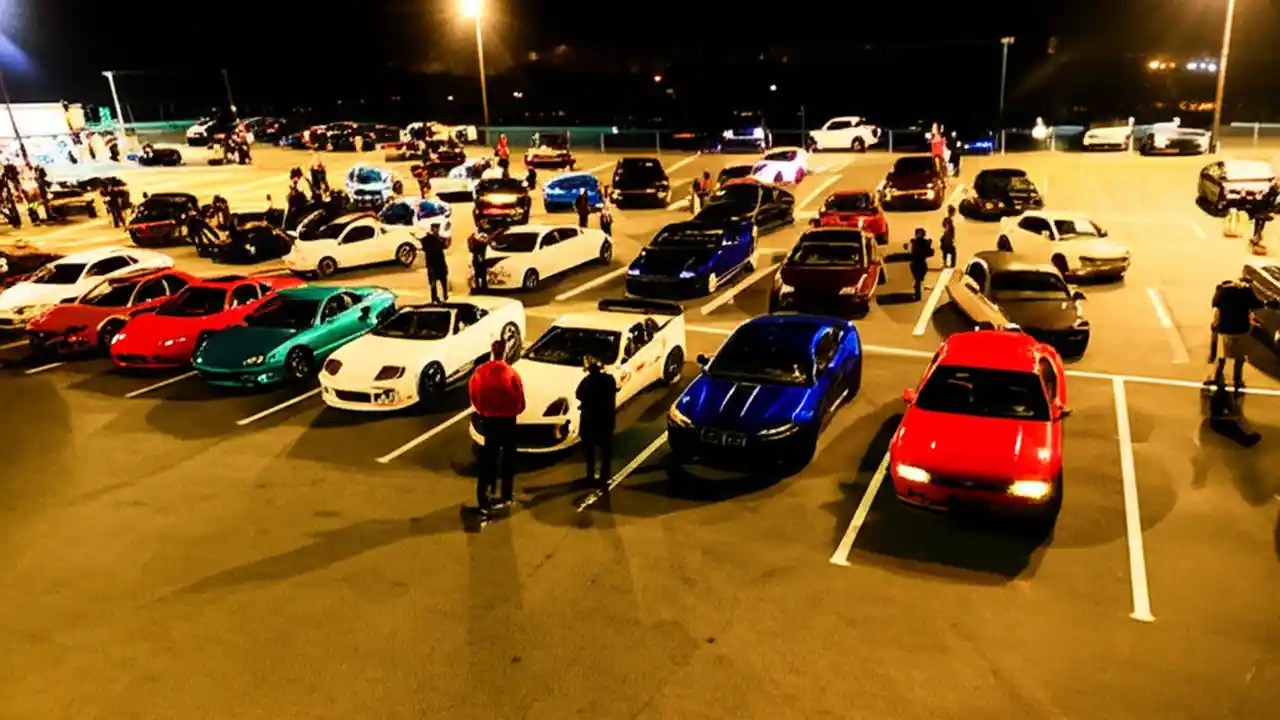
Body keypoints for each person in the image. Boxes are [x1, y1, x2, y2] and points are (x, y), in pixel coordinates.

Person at [468, 340, 526, 515]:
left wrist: (482, 409)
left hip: (490, 420)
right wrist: (513, 410)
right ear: (505, 352)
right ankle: (506, 494)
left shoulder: (481, 372)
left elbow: (473, 394)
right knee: (508, 458)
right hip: (508, 421)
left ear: (492, 351)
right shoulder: (511, 374)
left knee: (488, 458)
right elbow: (520, 400)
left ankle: (484, 496)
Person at [1208, 276, 1264, 391]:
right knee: (1239, 357)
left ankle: (1217, 376)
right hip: (1241, 329)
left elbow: (1214, 303)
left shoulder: (1223, 290)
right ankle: (1237, 380)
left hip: (1225, 329)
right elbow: (1259, 304)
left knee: (1222, 356)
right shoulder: (1247, 291)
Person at [576, 355, 619, 489]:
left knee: (590, 451)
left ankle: (590, 476)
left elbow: (578, 395)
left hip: (590, 421)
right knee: (606, 451)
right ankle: (605, 477)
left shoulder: (587, 382)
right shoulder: (609, 380)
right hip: (606, 420)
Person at [421, 225, 450, 302]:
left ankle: (435, 298)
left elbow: (423, 248)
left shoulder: (426, 239)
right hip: (438, 263)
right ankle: (443, 296)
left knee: (434, 282)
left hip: (432, 263)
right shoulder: (438, 239)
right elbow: (445, 246)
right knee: (442, 280)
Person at [908, 227, 932, 301]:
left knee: (919, 278)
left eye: (920, 234)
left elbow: (929, 252)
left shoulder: (922, 242)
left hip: (920, 263)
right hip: (916, 263)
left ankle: (917, 288)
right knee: (918, 279)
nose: (919, 235)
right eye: (919, 234)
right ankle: (917, 292)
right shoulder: (915, 242)